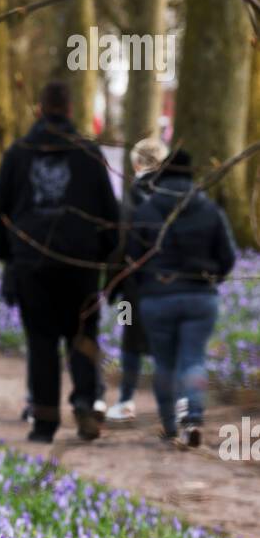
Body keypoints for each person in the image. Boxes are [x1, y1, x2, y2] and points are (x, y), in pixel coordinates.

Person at [0, 79, 120, 443]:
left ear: (39, 110)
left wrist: (7, 255)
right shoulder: (89, 154)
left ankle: (45, 422)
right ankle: (85, 404)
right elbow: (110, 214)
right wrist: (111, 261)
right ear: (72, 110)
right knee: (83, 339)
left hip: (32, 266)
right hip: (80, 267)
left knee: (41, 344)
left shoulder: (18, 154)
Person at [126, 148, 236, 448]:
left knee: (164, 363)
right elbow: (227, 257)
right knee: (193, 360)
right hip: (200, 297)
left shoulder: (146, 212)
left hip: (157, 299)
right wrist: (214, 279)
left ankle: (170, 425)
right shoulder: (210, 210)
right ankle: (192, 418)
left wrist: (145, 287)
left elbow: (132, 259)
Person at [104, 137, 169, 423]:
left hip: (133, 286)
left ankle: (126, 400)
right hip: (170, 285)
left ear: (137, 164)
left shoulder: (128, 200)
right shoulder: (177, 197)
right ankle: (176, 404)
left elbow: (117, 245)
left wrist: (111, 285)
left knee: (131, 343)